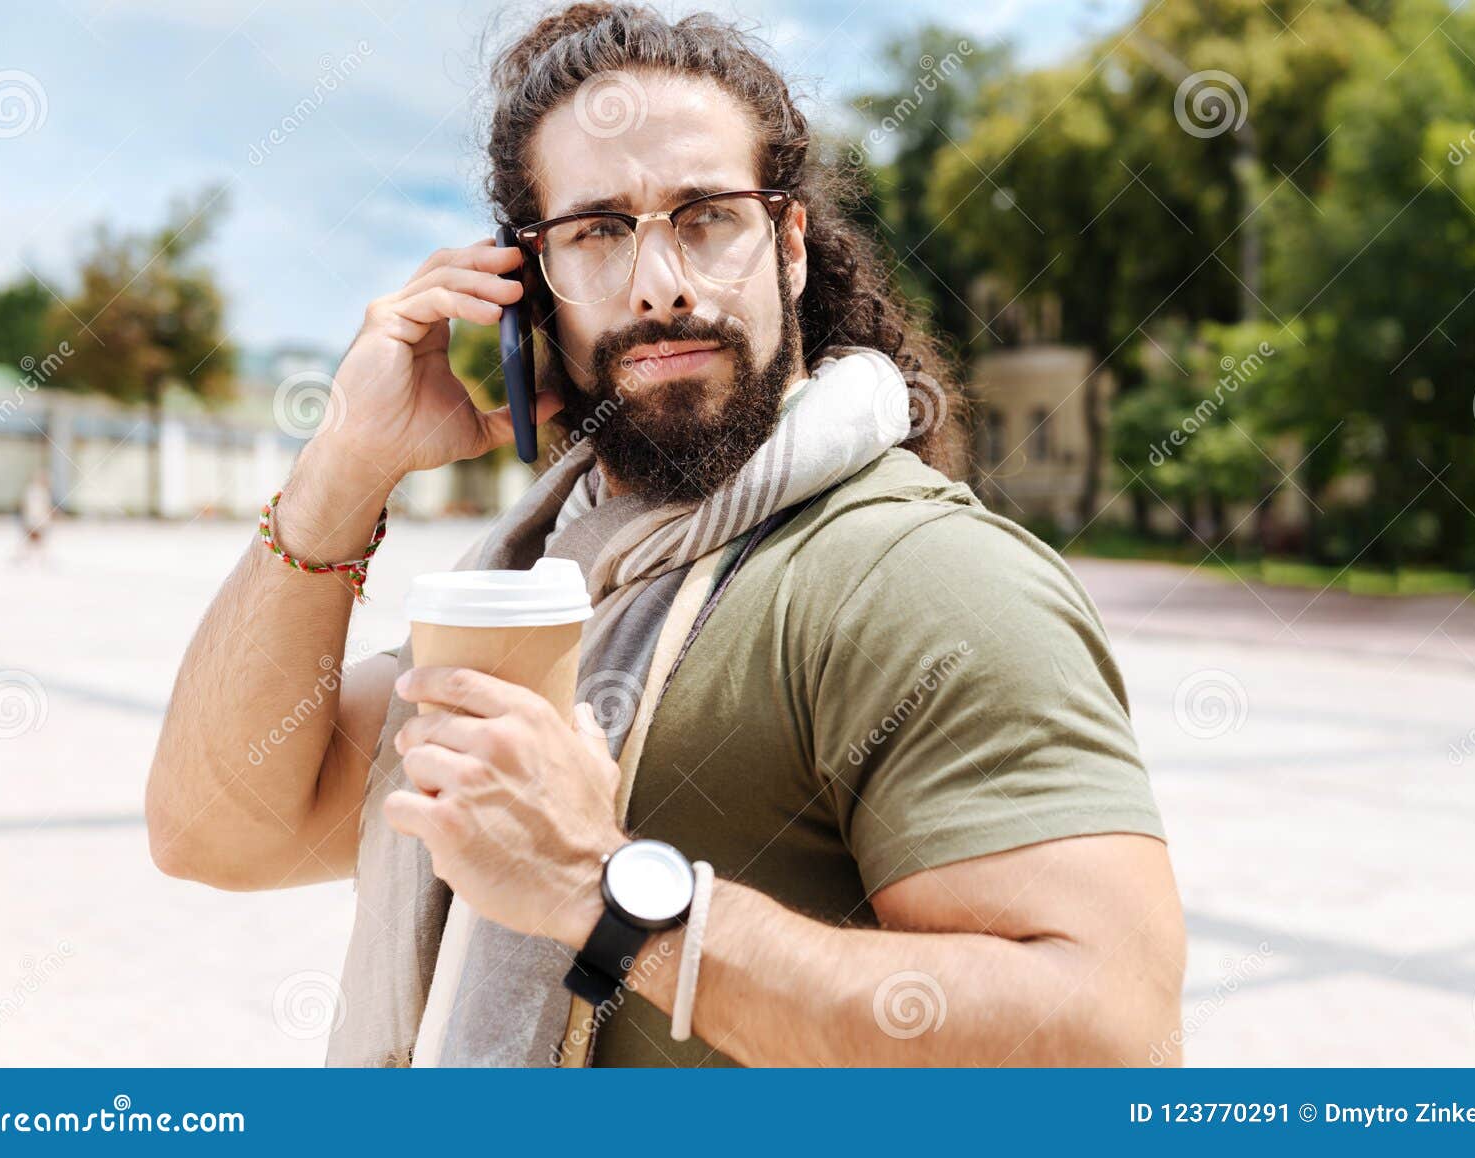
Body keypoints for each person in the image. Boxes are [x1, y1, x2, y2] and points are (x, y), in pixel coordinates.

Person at [145, 1, 1184, 1067]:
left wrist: (600, 895)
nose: (659, 283)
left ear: (787, 246)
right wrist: (342, 468)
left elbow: (1109, 1042)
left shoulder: (917, 575)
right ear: (526, 287)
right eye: (596, 232)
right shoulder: (551, 580)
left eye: (706, 217)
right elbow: (216, 830)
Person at [12, 467, 54, 568]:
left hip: (36, 520)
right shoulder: (35, 491)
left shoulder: (40, 491)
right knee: (34, 540)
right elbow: (32, 507)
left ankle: (30, 557)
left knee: (35, 541)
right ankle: (26, 557)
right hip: (35, 520)